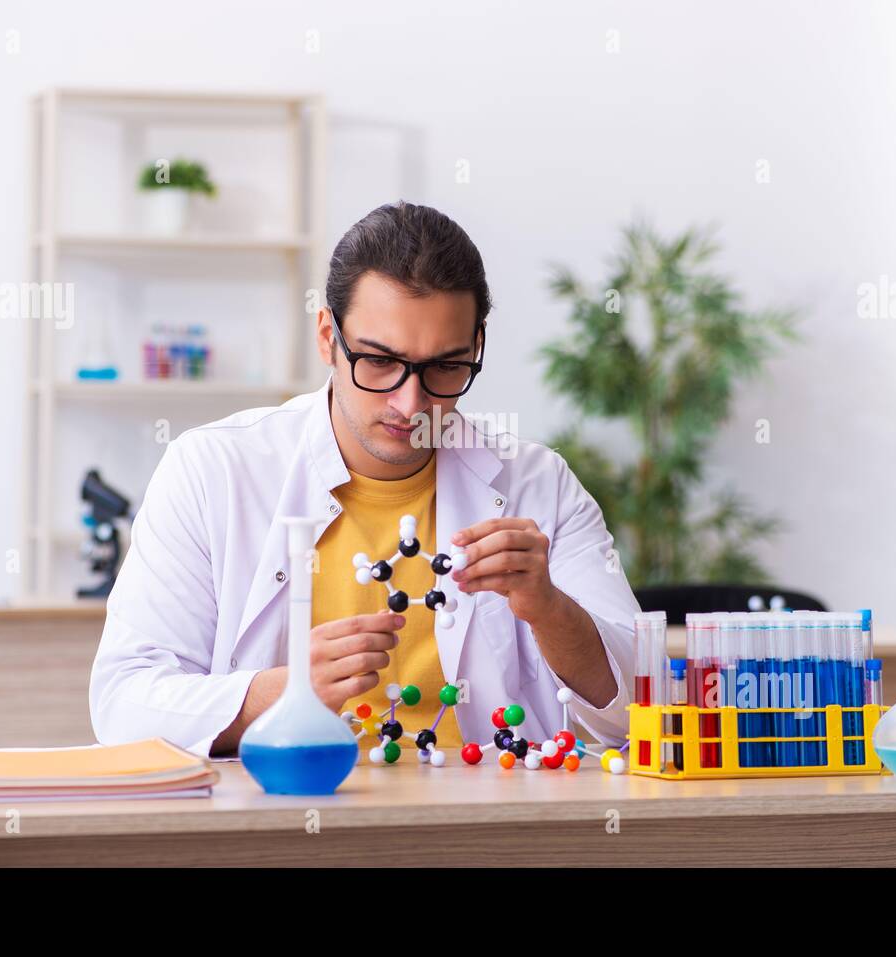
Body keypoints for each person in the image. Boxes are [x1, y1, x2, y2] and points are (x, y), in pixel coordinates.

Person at [89, 201, 641, 758]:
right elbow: (123, 705)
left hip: (487, 827)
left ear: (476, 347)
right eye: (379, 361)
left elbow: (641, 710)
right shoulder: (211, 470)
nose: (411, 402)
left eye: (445, 367)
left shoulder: (538, 484)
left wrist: (548, 607)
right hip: (280, 822)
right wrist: (285, 691)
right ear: (328, 336)